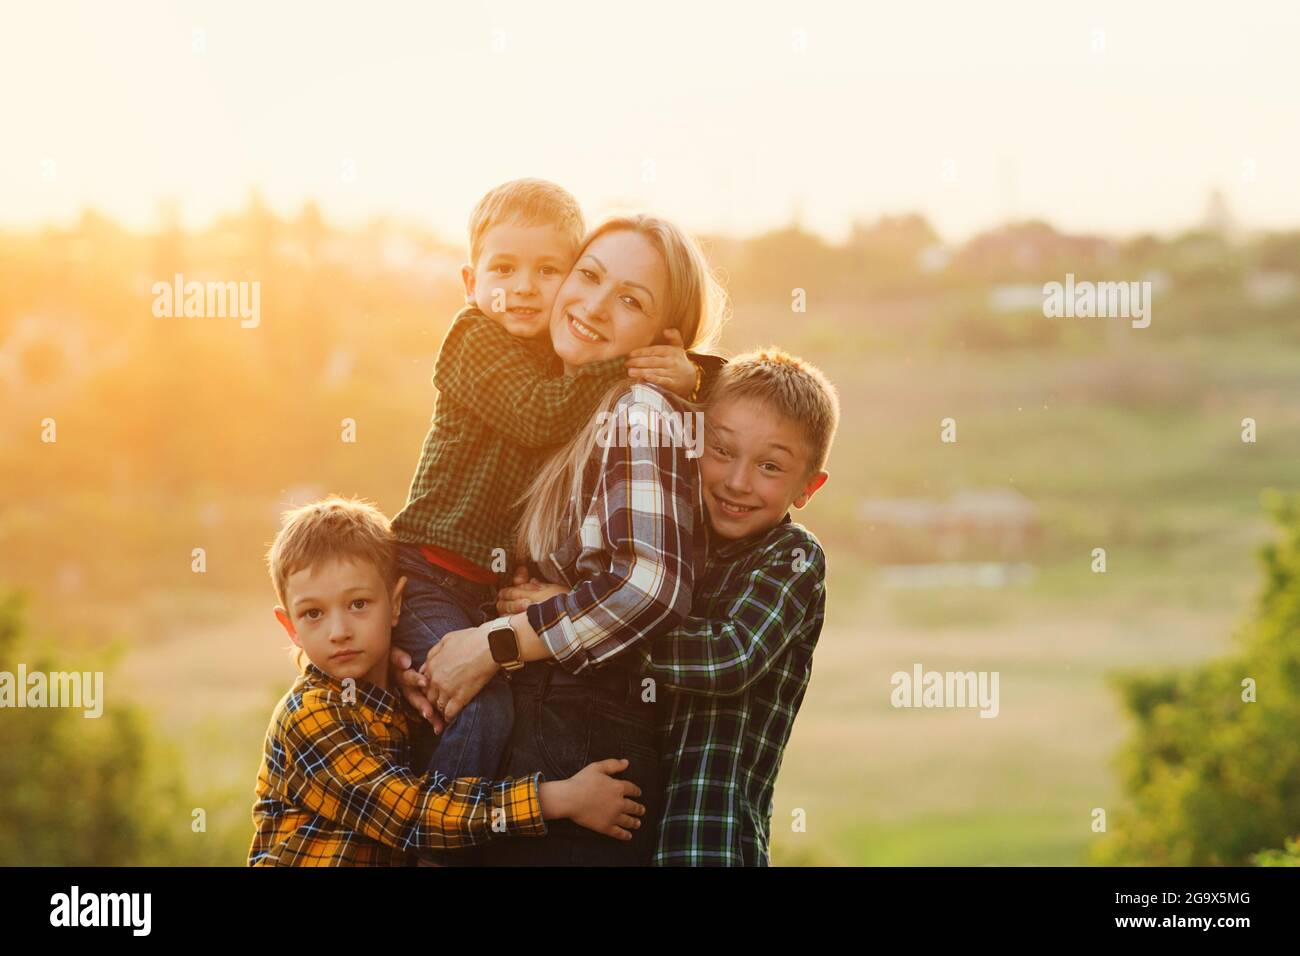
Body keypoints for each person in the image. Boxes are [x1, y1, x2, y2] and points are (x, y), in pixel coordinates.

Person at [401, 213, 727, 865]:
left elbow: (648, 585)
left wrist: (494, 646)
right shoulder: (566, 399)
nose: (595, 306)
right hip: (547, 750)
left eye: (630, 300)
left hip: (583, 750)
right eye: (589, 275)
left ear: (661, 340)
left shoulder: (637, 409)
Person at [248, 496, 646, 866]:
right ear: (290, 627)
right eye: (313, 614)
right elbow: (415, 817)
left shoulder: (402, 697)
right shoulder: (311, 716)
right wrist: (557, 798)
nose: (339, 631)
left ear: (397, 604)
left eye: (358, 604)